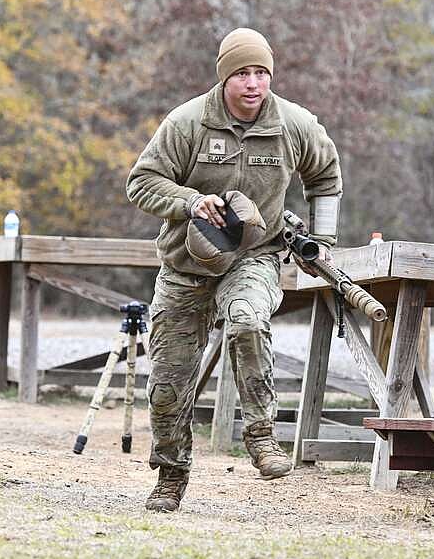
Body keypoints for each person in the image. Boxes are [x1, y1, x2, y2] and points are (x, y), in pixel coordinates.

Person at [126, 27, 342, 512]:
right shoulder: (187, 123)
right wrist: (188, 201)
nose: (253, 83)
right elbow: (141, 182)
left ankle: (261, 434)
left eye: (261, 73)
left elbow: (326, 177)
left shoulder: (294, 125)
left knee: (247, 319)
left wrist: (323, 241)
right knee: (167, 382)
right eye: (242, 73)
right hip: (185, 266)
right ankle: (171, 473)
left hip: (255, 256)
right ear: (225, 78)